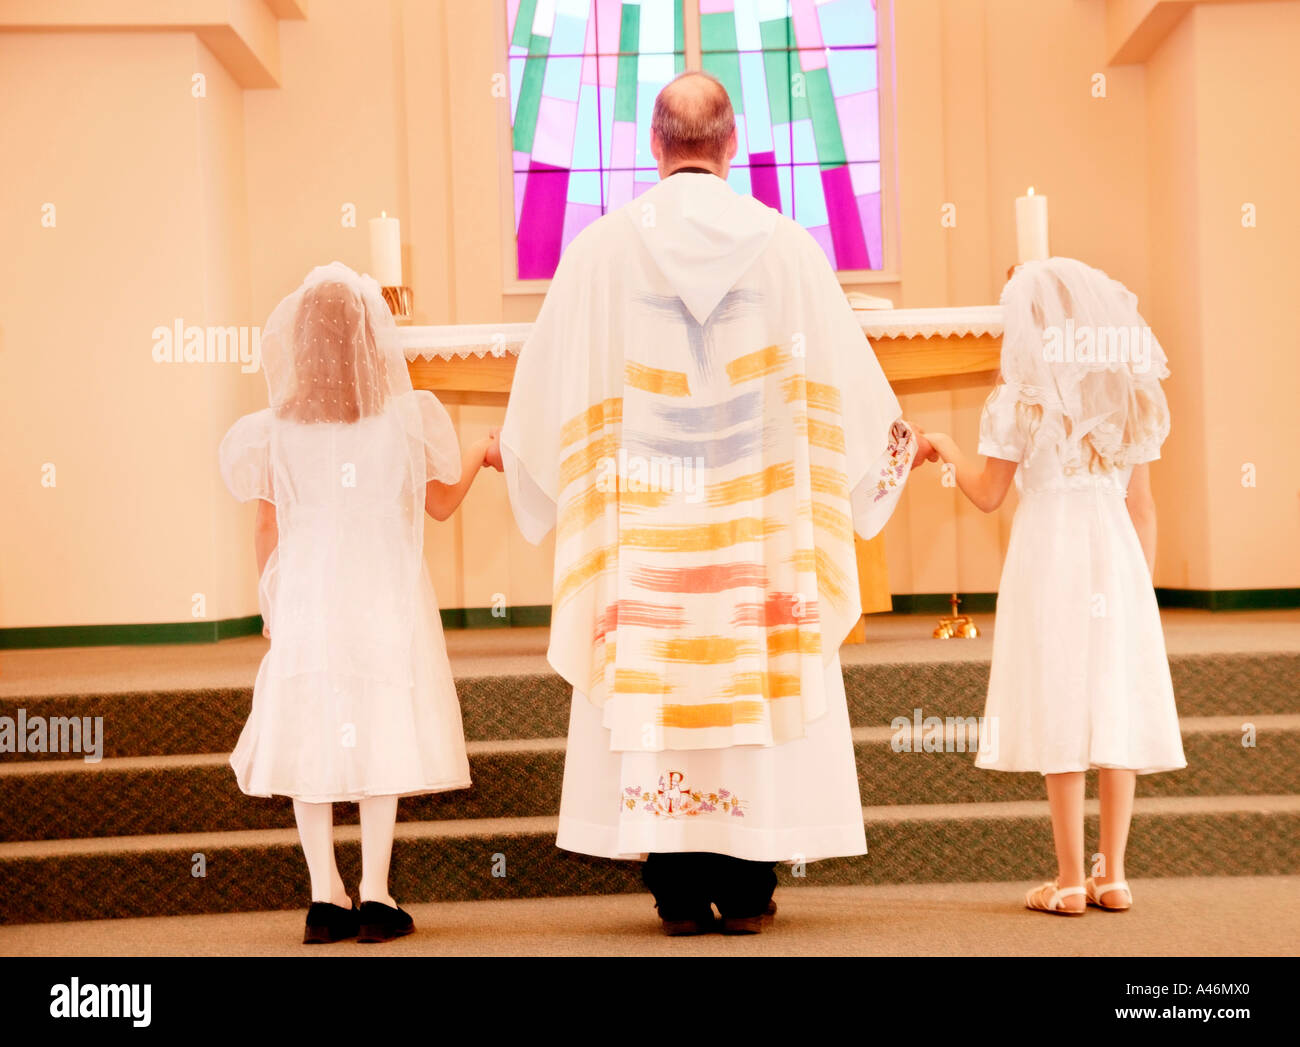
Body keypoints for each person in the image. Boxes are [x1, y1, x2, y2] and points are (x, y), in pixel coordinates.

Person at [499, 72, 934, 935]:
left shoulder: (598, 250)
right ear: (729, 145)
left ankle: (674, 892)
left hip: (644, 531)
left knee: (660, 688)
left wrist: (533, 470)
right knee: (751, 677)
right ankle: (746, 891)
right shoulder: (787, 247)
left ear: (656, 145)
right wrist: (891, 456)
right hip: (753, 528)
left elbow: (542, 399)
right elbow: (853, 394)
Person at [218, 262, 502, 943]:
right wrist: (475, 453)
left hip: (311, 594)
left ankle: (324, 896)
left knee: (312, 730)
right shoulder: (403, 421)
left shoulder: (276, 429)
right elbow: (436, 505)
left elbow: (267, 526)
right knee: (380, 727)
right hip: (381, 592)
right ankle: (375, 894)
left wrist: (272, 601)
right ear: (372, 340)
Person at [923, 256, 1186, 916]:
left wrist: (947, 448)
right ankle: (1115, 875)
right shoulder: (1128, 391)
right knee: (1111, 700)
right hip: (1116, 556)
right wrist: (1140, 591)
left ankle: (1070, 881)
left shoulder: (1019, 399)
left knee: (1061, 698)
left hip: (1051, 554)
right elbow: (1145, 505)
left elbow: (986, 495)